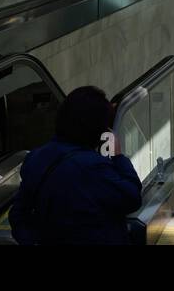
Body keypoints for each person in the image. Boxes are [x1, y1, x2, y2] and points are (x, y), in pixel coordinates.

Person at [9, 85, 143, 245]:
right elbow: (132, 197)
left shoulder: (35, 157)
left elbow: (18, 214)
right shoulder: (93, 166)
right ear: (98, 130)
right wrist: (118, 157)